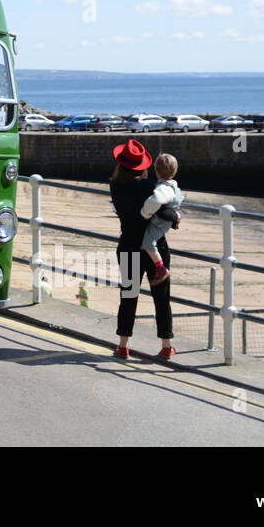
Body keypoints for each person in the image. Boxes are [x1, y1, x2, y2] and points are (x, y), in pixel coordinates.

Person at [109, 138, 175, 361]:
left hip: (128, 245)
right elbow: (166, 213)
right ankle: (166, 345)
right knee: (161, 297)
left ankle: (123, 345)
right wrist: (176, 218)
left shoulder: (115, 185)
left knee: (128, 296)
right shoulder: (150, 188)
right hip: (154, 247)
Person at [140, 153, 184, 285]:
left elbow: (156, 200)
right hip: (165, 222)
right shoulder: (172, 185)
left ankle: (160, 268)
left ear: (156, 170)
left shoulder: (163, 188)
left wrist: (145, 213)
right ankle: (159, 266)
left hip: (159, 223)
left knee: (147, 242)